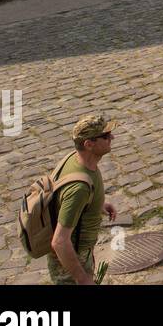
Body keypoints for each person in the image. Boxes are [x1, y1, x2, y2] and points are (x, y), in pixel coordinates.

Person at [47, 114, 118, 285]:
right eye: (106, 136)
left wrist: (96, 204)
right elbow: (59, 242)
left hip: (80, 251)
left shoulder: (75, 158)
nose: (112, 137)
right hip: (72, 260)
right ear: (89, 144)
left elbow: (66, 201)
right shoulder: (79, 188)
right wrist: (83, 279)